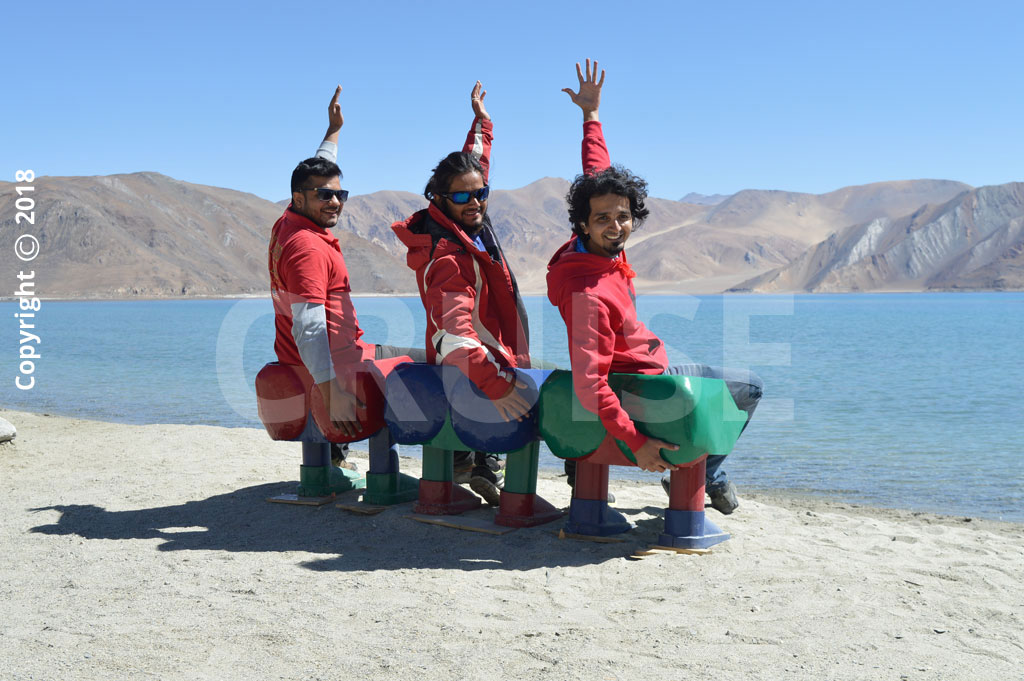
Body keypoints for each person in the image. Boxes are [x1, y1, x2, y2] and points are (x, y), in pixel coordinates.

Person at [546, 60, 763, 514]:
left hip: (642, 370)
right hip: (647, 386)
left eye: (622, 216)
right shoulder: (589, 288)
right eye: (602, 218)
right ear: (583, 223)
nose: (614, 225)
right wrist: (637, 441)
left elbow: (597, 173)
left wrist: (591, 118)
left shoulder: (592, 252)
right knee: (749, 388)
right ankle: (711, 473)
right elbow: (589, 384)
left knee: (704, 373)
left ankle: (707, 473)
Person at [269, 86, 426, 468]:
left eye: (340, 194)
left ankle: (336, 460)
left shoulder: (288, 222)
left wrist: (333, 130)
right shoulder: (308, 248)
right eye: (325, 196)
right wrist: (331, 393)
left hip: (312, 355)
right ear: (299, 198)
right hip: (341, 360)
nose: (335, 202)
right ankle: (458, 462)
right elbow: (308, 326)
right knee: (441, 369)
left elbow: (319, 168)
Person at [392, 81, 531, 505]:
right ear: (440, 199)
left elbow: (477, 162)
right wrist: (501, 385)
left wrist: (482, 122)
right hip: (477, 362)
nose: (475, 201)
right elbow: (455, 337)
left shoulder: (462, 224)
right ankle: (501, 477)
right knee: (534, 394)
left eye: (481, 193)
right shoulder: (450, 256)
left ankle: (465, 464)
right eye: (463, 196)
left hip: (474, 358)